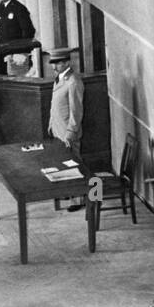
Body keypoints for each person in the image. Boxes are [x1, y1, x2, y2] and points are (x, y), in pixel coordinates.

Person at [48, 48, 87, 212]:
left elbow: (76, 111)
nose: (54, 66)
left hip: (67, 132)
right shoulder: (59, 79)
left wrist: (70, 133)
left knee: (74, 164)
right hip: (57, 129)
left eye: (58, 63)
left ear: (67, 63)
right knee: (64, 164)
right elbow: (54, 105)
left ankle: (79, 199)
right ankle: (69, 193)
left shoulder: (73, 81)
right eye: (53, 63)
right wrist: (50, 124)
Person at [0, 0, 35, 75]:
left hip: (14, 55)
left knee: (15, 81)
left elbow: (29, 31)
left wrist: (21, 52)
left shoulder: (19, 8)